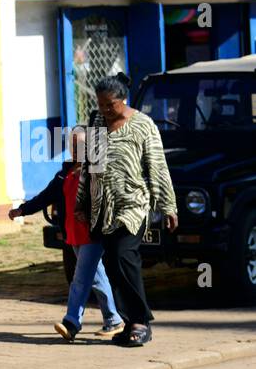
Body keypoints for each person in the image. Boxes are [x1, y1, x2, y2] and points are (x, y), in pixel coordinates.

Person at [76, 73, 178, 347]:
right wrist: (81, 203)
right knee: (111, 265)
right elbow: (90, 166)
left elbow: (157, 167)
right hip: (101, 207)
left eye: (110, 105)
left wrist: (167, 205)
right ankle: (127, 320)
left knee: (124, 257)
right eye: (101, 104)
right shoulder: (97, 123)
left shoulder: (143, 125)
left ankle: (141, 322)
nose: (105, 110)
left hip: (132, 205)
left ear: (123, 100)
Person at [9, 126, 123, 341]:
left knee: (80, 279)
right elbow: (45, 197)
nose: (74, 148)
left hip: (93, 235)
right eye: (71, 144)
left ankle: (71, 323)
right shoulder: (64, 173)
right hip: (73, 234)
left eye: (79, 144)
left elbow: (110, 199)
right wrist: (22, 210)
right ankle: (114, 320)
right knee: (97, 278)